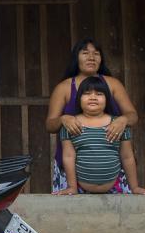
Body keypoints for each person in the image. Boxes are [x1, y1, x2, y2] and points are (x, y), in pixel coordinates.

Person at [45, 39, 139, 194]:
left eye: (96, 54)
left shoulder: (113, 84)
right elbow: (49, 125)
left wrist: (123, 119)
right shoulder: (64, 87)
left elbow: (133, 116)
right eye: (85, 53)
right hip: (72, 164)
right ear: (76, 58)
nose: (91, 57)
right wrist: (63, 119)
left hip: (110, 164)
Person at [57, 76, 145, 195]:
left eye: (99, 94)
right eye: (87, 93)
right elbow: (68, 157)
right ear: (79, 99)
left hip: (116, 187)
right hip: (79, 189)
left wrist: (134, 188)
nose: (93, 97)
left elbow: (127, 157)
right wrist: (72, 187)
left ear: (107, 99)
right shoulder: (70, 125)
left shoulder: (119, 124)